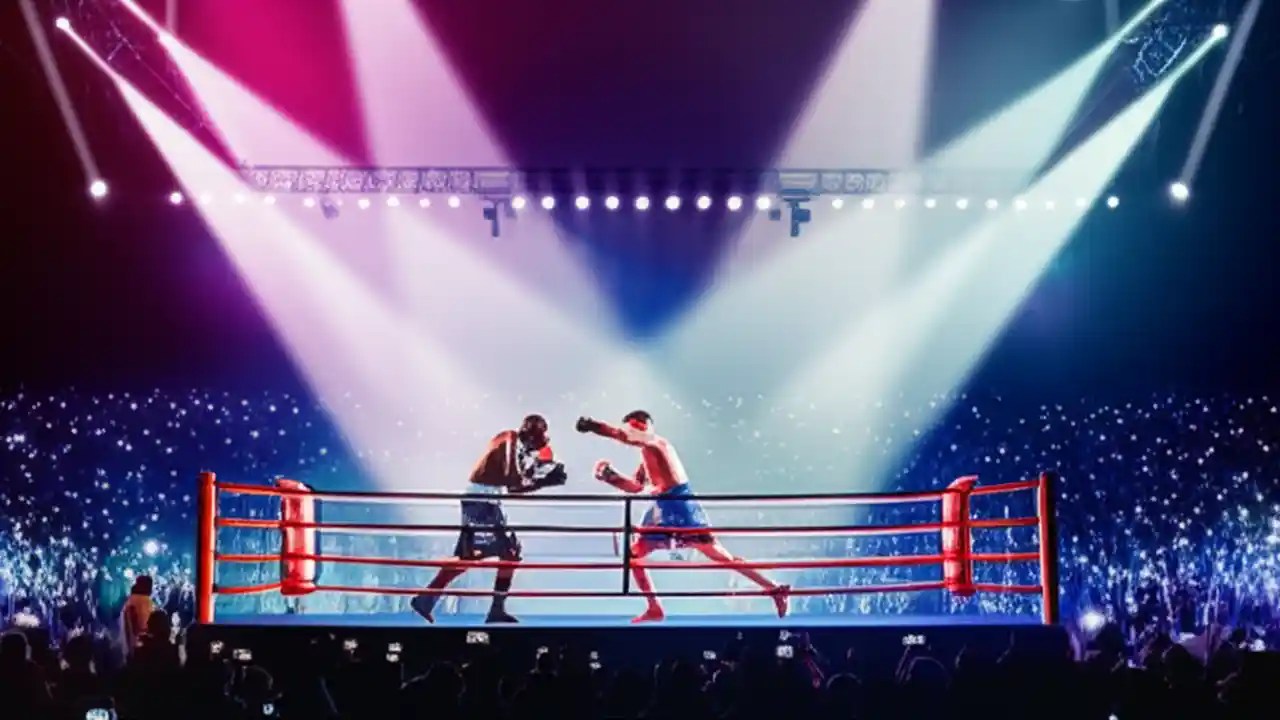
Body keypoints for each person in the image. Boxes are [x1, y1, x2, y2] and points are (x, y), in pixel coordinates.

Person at [576, 410, 789, 623]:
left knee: (721, 557)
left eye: (631, 429)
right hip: (669, 508)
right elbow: (636, 487)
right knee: (635, 554)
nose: (626, 435)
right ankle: (654, 607)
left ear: (639, 427)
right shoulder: (648, 453)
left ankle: (773, 589)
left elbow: (625, 443)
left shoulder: (656, 445)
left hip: (678, 509)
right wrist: (611, 477)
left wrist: (594, 426)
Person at [411, 414, 567, 624]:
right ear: (531, 433)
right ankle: (494, 609)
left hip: (487, 502)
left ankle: (427, 599)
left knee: (475, 557)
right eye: (541, 433)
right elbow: (514, 485)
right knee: (505, 553)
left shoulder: (519, 450)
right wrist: (544, 481)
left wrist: (542, 478)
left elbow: (515, 485)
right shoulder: (509, 438)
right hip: (480, 502)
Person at [120, 574, 154, 661]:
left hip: (129, 644)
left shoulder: (131, 599)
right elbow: (144, 625)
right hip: (141, 646)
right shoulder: (144, 601)